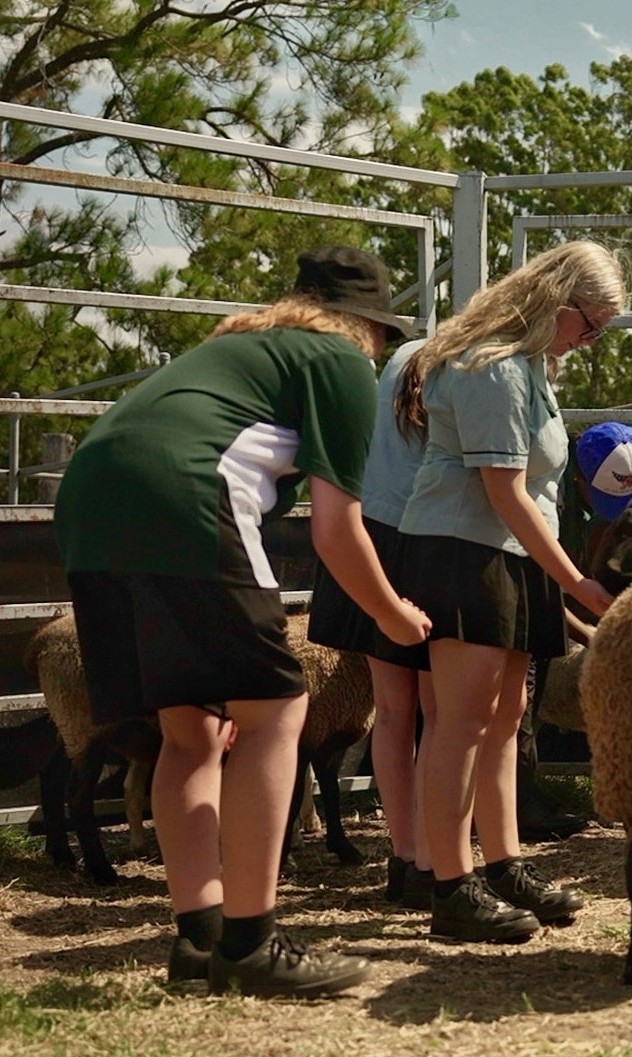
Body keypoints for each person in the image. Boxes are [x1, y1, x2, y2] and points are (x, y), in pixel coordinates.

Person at [53, 246, 432, 997]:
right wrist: (395, 614)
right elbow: (336, 529)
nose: (384, 349)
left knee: (190, 729)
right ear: (368, 327)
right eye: (385, 334)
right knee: (279, 707)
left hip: (89, 500)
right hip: (186, 496)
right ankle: (252, 944)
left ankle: (200, 938)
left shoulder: (239, 346)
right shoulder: (342, 361)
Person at [391, 240, 623, 942]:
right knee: (460, 722)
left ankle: (503, 864)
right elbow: (505, 492)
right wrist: (579, 583)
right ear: (558, 301)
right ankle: (450, 886)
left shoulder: (527, 366)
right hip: (467, 553)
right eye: (590, 323)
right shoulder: (492, 368)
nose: (589, 340)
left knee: (501, 719)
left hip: (511, 556)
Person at [306, 336, 438, 908]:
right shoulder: (459, 369)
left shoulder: (399, 362)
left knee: (392, 714)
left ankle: (403, 856)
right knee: (439, 718)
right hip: (433, 540)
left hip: (376, 537)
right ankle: (437, 858)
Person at [515, 419, 632, 839]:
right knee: (520, 703)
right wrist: (587, 633)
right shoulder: (542, 502)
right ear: (577, 474)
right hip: (531, 607)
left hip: (580, 619)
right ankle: (518, 804)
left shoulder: (629, 521)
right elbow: (533, 583)